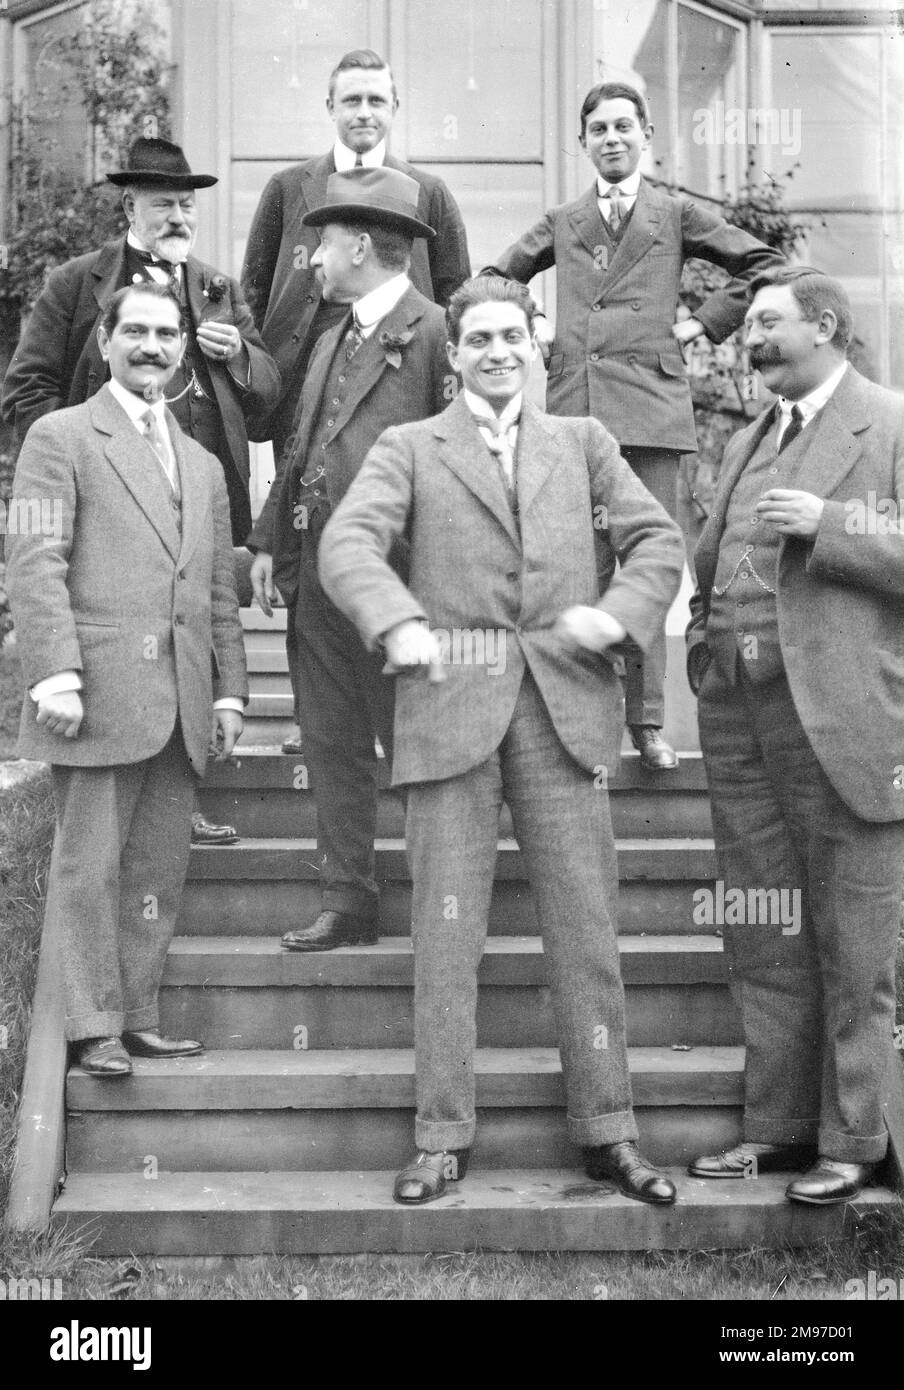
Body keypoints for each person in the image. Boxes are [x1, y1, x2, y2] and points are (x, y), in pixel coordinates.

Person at [318, 275, 685, 1205]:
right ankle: (441, 1137)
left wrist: (616, 618)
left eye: (511, 337)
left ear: (536, 346)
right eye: (477, 338)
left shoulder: (586, 442)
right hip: (448, 712)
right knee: (446, 937)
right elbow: (348, 546)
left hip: (565, 715)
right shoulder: (411, 447)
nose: (496, 352)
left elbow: (658, 544)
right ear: (454, 354)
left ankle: (609, 1131)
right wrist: (397, 621)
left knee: (586, 932)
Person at [485, 82, 784, 770]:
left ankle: (648, 726)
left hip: (651, 412)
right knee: (577, 570)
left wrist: (700, 324)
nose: (612, 138)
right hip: (576, 413)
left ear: (646, 135)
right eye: (598, 129)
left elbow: (763, 264)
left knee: (649, 563)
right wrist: (535, 329)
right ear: (583, 141)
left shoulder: (674, 212)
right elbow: (500, 275)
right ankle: (581, 726)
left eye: (625, 126)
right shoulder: (564, 220)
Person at [686, 266, 904, 1204]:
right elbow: (711, 557)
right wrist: (704, 646)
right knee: (762, 929)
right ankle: (776, 1131)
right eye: (750, 331)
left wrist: (831, 523)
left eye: (769, 325)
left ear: (826, 326)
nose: (752, 341)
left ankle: (854, 1141)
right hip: (741, 718)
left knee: (854, 942)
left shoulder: (889, 423)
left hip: (846, 724)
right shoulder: (747, 437)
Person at [1, 136, 280, 844]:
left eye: (188, 204)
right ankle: (121, 811)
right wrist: (71, 461)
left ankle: (175, 801)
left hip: (195, 504)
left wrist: (241, 355)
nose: (180, 215)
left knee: (187, 634)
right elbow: (25, 386)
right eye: (165, 204)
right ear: (131, 205)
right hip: (103, 504)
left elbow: (270, 401)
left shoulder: (217, 290)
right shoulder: (76, 283)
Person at [5, 281, 248, 1076]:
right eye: (135, 331)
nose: (152, 346)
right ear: (104, 340)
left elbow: (215, 594)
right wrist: (55, 675)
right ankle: (89, 1023)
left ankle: (138, 1012)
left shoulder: (206, 464)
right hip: (96, 692)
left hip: (178, 699)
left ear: (184, 349)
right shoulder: (59, 435)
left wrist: (228, 690)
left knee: (155, 869)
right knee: (90, 866)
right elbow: (34, 559)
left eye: (167, 334)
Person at [241, 47, 471, 757]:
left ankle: (390, 708)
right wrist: (267, 379)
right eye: (352, 101)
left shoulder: (426, 193)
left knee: (396, 542)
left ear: (393, 109)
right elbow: (254, 291)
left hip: (399, 391)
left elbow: (457, 292)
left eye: (377, 100)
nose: (364, 112)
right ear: (331, 109)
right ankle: (320, 710)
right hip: (308, 394)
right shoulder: (289, 188)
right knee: (308, 538)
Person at [248, 167, 452, 953]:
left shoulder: (434, 331)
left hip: (401, 589)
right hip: (317, 580)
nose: (311, 261)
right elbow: (303, 449)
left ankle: (442, 895)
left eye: (321, 245)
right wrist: (271, 537)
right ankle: (349, 898)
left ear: (361, 245)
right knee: (330, 738)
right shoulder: (331, 334)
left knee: (413, 742)